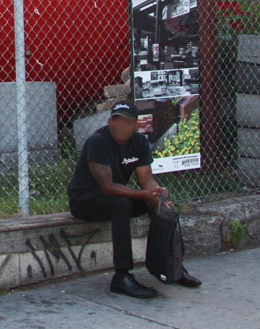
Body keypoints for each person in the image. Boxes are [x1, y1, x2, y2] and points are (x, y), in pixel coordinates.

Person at [68, 101, 201, 298]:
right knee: (122, 204)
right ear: (110, 122)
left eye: (127, 122)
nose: (121, 126)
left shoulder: (139, 142)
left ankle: (172, 267)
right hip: (85, 200)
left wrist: (157, 195)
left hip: (115, 197)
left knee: (159, 206)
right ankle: (121, 277)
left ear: (136, 125)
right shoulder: (97, 142)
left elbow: (146, 179)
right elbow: (108, 187)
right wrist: (144, 194)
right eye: (116, 121)